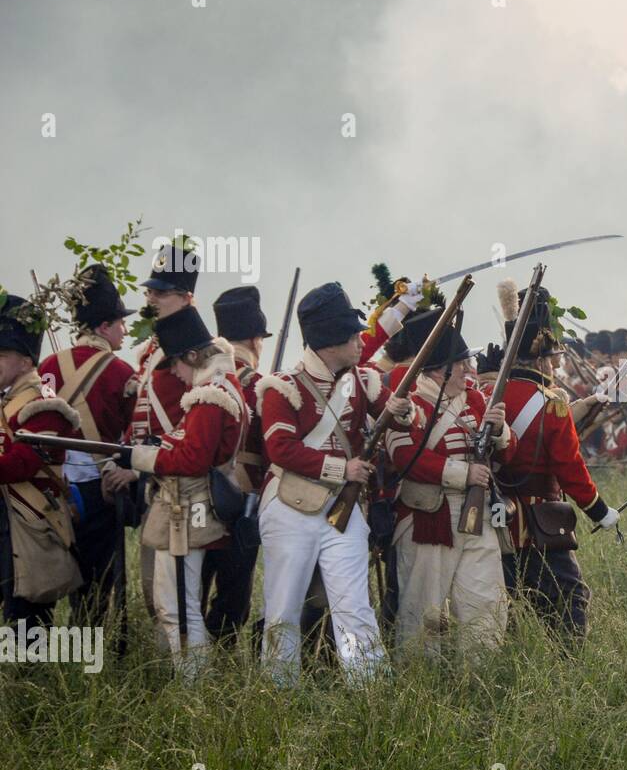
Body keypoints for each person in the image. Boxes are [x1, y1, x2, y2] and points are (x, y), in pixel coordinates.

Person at [255, 282, 412, 684]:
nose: (362, 341)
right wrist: (342, 470)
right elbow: (281, 450)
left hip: (342, 512)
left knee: (354, 606)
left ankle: (370, 690)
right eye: (353, 335)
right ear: (329, 340)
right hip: (290, 507)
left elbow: (396, 417)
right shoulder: (282, 387)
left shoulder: (364, 381)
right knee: (283, 609)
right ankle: (280, 693)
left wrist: (402, 411)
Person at [113, 307, 249, 675]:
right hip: (194, 504)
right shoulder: (220, 385)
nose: (173, 372)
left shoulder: (209, 395)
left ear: (191, 355)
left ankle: (194, 688)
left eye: (175, 363)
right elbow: (188, 445)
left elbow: (192, 459)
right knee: (179, 605)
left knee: (179, 609)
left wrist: (138, 456)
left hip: (189, 506)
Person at [382, 315, 516, 661]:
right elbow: (405, 457)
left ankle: (480, 678)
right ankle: (420, 683)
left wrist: (500, 430)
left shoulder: (474, 400)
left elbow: (508, 450)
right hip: (429, 515)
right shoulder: (410, 405)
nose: (468, 370)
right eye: (461, 365)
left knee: (485, 602)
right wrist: (463, 474)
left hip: (478, 513)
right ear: (440, 371)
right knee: (423, 609)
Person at [494, 284, 619, 643]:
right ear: (541, 360)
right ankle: (570, 668)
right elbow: (570, 469)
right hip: (539, 526)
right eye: (552, 358)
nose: (554, 365)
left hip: (499, 525)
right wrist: (599, 511)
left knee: (510, 604)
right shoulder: (552, 404)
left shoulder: (490, 395)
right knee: (570, 601)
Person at [38, 265, 136, 637]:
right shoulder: (123, 373)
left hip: (51, 488)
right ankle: (87, 654)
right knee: (97, 585)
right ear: (102, 326)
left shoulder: (47, 366)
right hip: (100, 489)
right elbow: (129, 438)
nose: (124, 331)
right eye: (119, 323)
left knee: (46, 574)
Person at [0, 294, 80, 628]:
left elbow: (20, 465)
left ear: (26, 361)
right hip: (5, 522)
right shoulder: (8, 400)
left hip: (28, 524)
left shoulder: (45, 406)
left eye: (1, 355)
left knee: (27, 616)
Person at [200, 286, 270, 644]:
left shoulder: (201, 376)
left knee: (193, 586)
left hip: (199, 494)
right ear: (257, 340)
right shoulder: (260, 384)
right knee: (234, 594)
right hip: (241, 500)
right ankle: (223, 655)